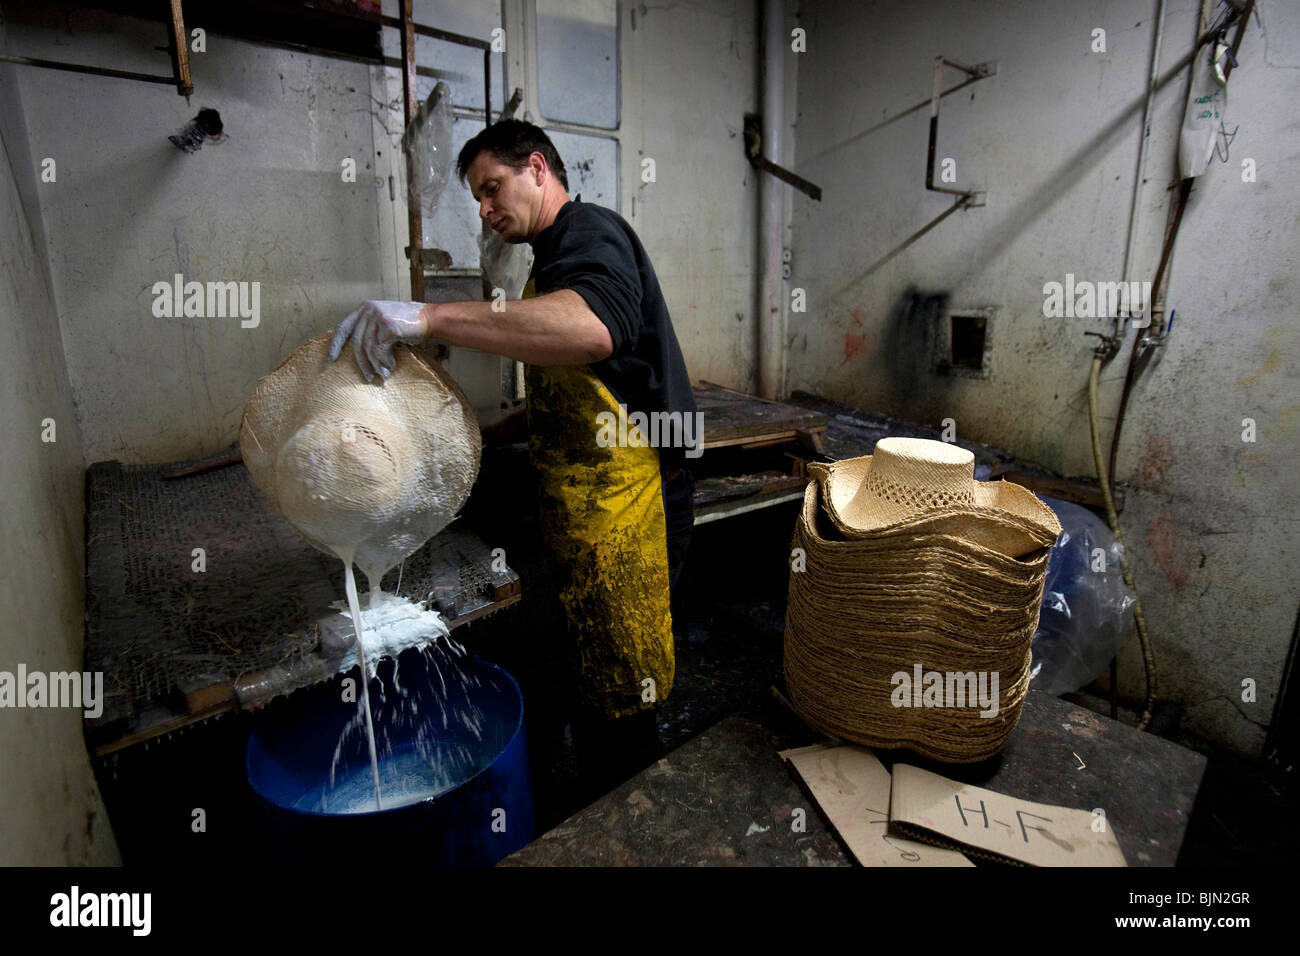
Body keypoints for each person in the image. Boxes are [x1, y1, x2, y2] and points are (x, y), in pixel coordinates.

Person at [328, 120, 698, 795]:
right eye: (476, 197)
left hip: (632, 507)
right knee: (591, 668)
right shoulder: (552, 261)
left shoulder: (590, 232)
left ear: (536, 167)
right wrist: (496, 431)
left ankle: (631, 814)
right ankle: (592, 793)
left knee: (624, 682)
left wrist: (430, 318)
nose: (485, 209)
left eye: (492, 188)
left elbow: (592, 331)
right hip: (586, 508)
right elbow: (592, 381)